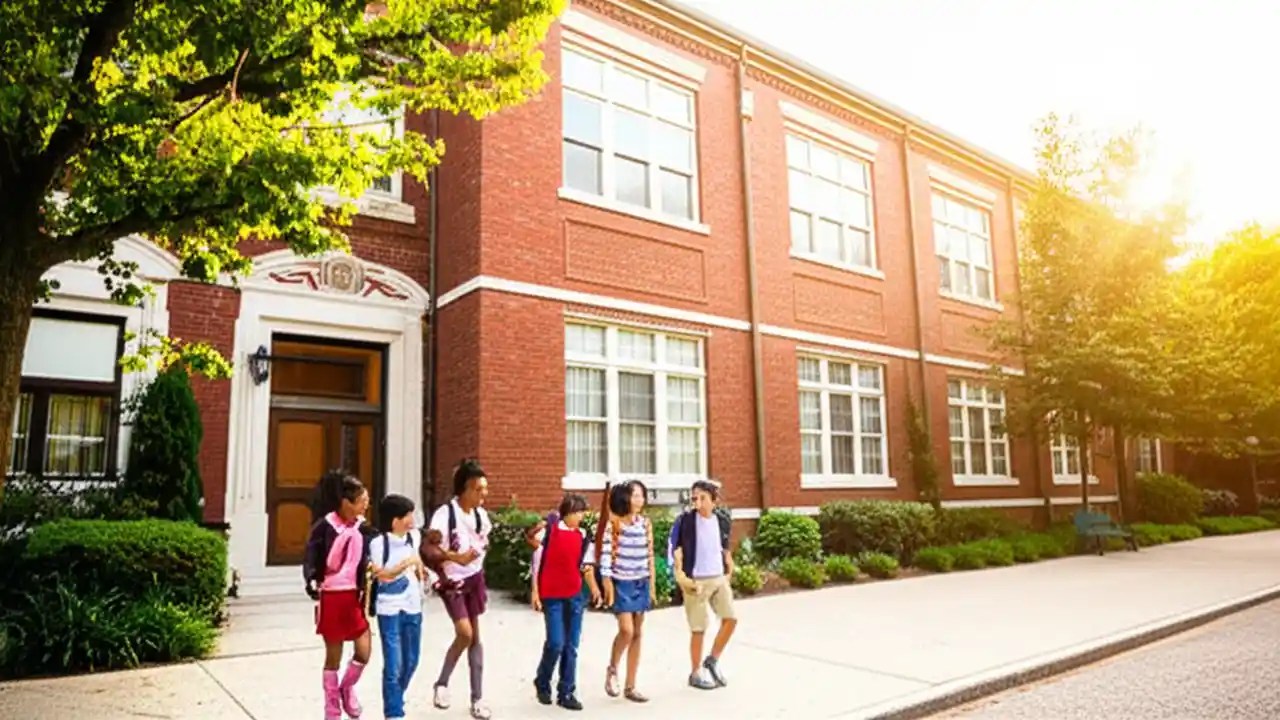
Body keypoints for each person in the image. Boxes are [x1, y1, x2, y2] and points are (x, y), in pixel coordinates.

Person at [303, 471, 376, 720]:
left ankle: (347, 688)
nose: (367, 504)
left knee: (364, 651)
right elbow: (312, 556)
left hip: (353, 598)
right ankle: (331, 707)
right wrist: (312, 577)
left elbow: (378, 549)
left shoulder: (363, 529)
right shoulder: (325, 527)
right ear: (347, 503)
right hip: (332, 597)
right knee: (333, 656)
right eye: (362, 500)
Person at [424, 459, 493, 720]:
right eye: (478, 489)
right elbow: (431, 548)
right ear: (464, 489)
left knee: (474, 637)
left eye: (485, 488)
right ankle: (441, 683)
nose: (483, 494)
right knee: (463, 633)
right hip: (453, 583)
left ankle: (478, 698)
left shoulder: (480, 516)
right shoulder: (445, 515)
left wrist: (477, 554)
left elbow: (483, 541)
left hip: (474, 579)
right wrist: (456, 557)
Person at [530, 493, 601, 711]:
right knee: (555, 642)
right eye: (577, 512)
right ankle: (542, 681)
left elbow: (586, 566)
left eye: (582, 513)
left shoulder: (582, 535)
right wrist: (535, 591)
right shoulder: (551, 532)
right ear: (567, 512)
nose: (580, 517)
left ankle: (567, 691)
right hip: (552, 594)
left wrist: (595, 588)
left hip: (575, 594)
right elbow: (536, 558)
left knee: (571, 646)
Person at [671, 479, 736, 690]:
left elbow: (725, 547)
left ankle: (713, 659)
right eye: (694, 499)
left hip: (718, 578)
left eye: (702, 498)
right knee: (699, 628)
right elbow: (674, 548)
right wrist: (681, 577)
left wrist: (729, 569)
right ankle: (695, 673)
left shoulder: (722, 520)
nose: (697, 503)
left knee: (731, 619)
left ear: (714, 501)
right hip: (696, 581)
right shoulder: (686, 521)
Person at [368, 494, 425, 720]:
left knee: (411, 661)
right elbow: (381, 575)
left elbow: (418, 560)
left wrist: (421, 571)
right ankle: (393, 713)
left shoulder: (415, 537)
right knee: (393, 664)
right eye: (408, 515)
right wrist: (405, 564)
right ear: (395, 520)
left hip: (413, 606)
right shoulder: (378, 543)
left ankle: (396, 698)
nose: (412, 518)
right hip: (389, 609)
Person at [597, 481, 655, 702]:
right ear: (625, 499)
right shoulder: (615, 525)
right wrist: (606, 580)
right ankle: (612, 668)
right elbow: (605, 554)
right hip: (621, 583)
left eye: (642, 495)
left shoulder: (645, 524)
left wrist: (651, 584)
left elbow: (649, 554)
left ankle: (631, 686)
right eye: (635, 495)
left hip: (640, 581)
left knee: (638, 632)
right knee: (627, 630)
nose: (640, 500)